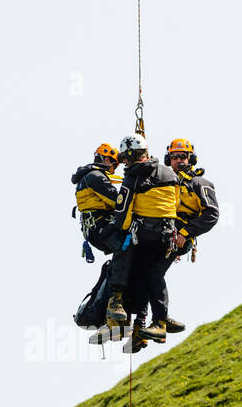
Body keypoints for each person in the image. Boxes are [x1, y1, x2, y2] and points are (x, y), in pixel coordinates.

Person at [130, 138, 220, 339]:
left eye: (183, 157)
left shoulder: (199, 183)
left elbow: (212, 214)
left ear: (191, 159)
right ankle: (141, 325)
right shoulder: (166, 180)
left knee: (154, 273)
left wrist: (185, 233)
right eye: (174, 157)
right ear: (168, 159)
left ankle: (160, 323)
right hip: (161, 232)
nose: (179, 160)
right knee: (143, 272)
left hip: (177, 236)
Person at [105, 134, 179, 342]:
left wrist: (124, 229)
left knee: (126, 253)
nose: (125, 163)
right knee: (154, 276)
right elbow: (176, 204)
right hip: (168, 237)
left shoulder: (134, 176)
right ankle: (157, 322)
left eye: (125, 158)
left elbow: (122, 214)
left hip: (147, 235)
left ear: (130, 155)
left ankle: (118, 305)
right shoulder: (169, 173)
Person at [71, 143, 123, 260]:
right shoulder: (96, 177)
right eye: (114, 166)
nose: (113, 171)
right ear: (106, 160)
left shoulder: (88, 176)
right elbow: (117, 202)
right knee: (129, 248)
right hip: (101, 227)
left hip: (95, 230)